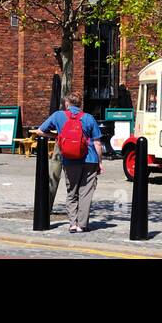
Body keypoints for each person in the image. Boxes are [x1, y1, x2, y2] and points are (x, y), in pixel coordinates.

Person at [33, 92, 104, 233]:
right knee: (86, 192)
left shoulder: (58, 116)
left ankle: (72, 223)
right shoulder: (89, 118)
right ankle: (82, 225)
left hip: (70, 159)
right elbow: (97, 143)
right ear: (80, 104)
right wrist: (100, 162)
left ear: (67, 104)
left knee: (72, 191)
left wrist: (56, 136)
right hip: (90, 159)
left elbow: (40, 131)